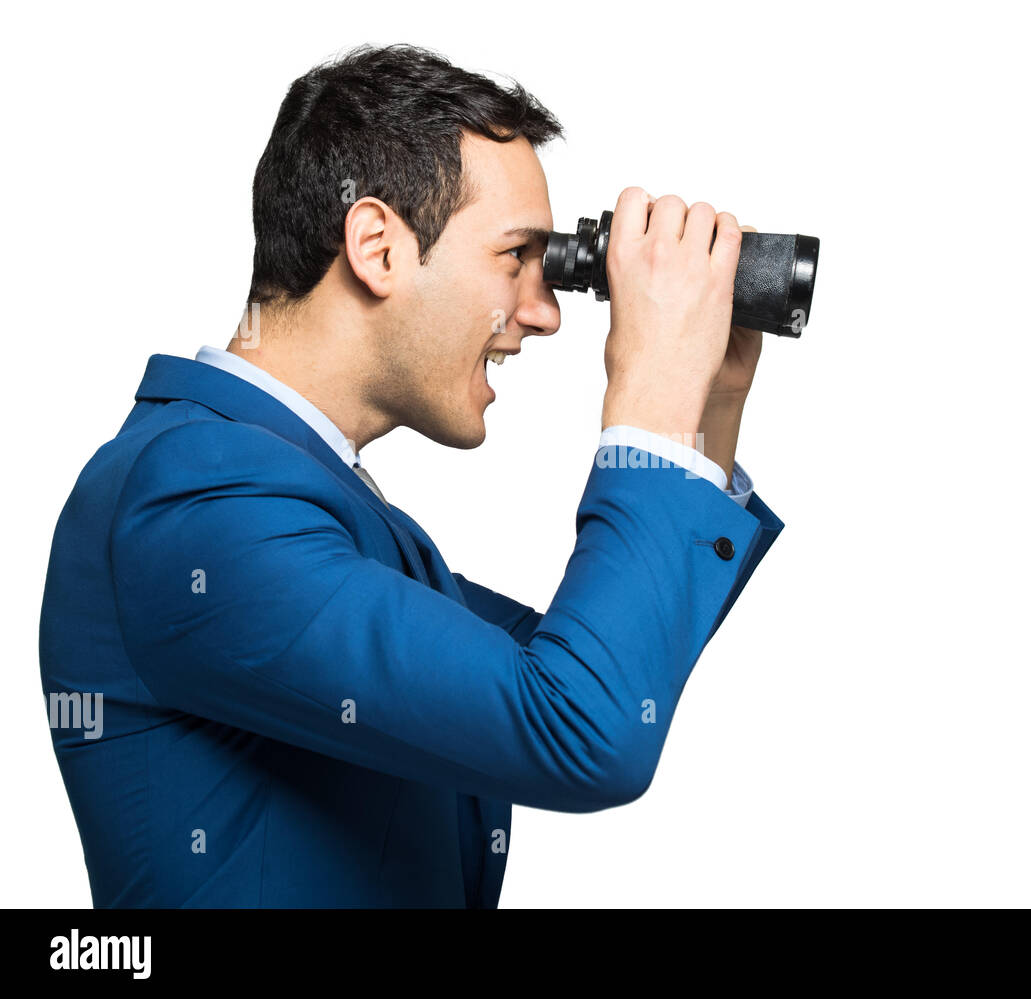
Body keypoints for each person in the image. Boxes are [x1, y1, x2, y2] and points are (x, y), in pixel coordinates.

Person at [38, 43, 784, 908]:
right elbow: (584, 724)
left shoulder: (292, 497)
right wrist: (647, 394)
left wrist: (702, 406)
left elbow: (601, 663)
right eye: (517, 258)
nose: (543, 315)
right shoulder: (197, 501)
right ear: (378, 248)